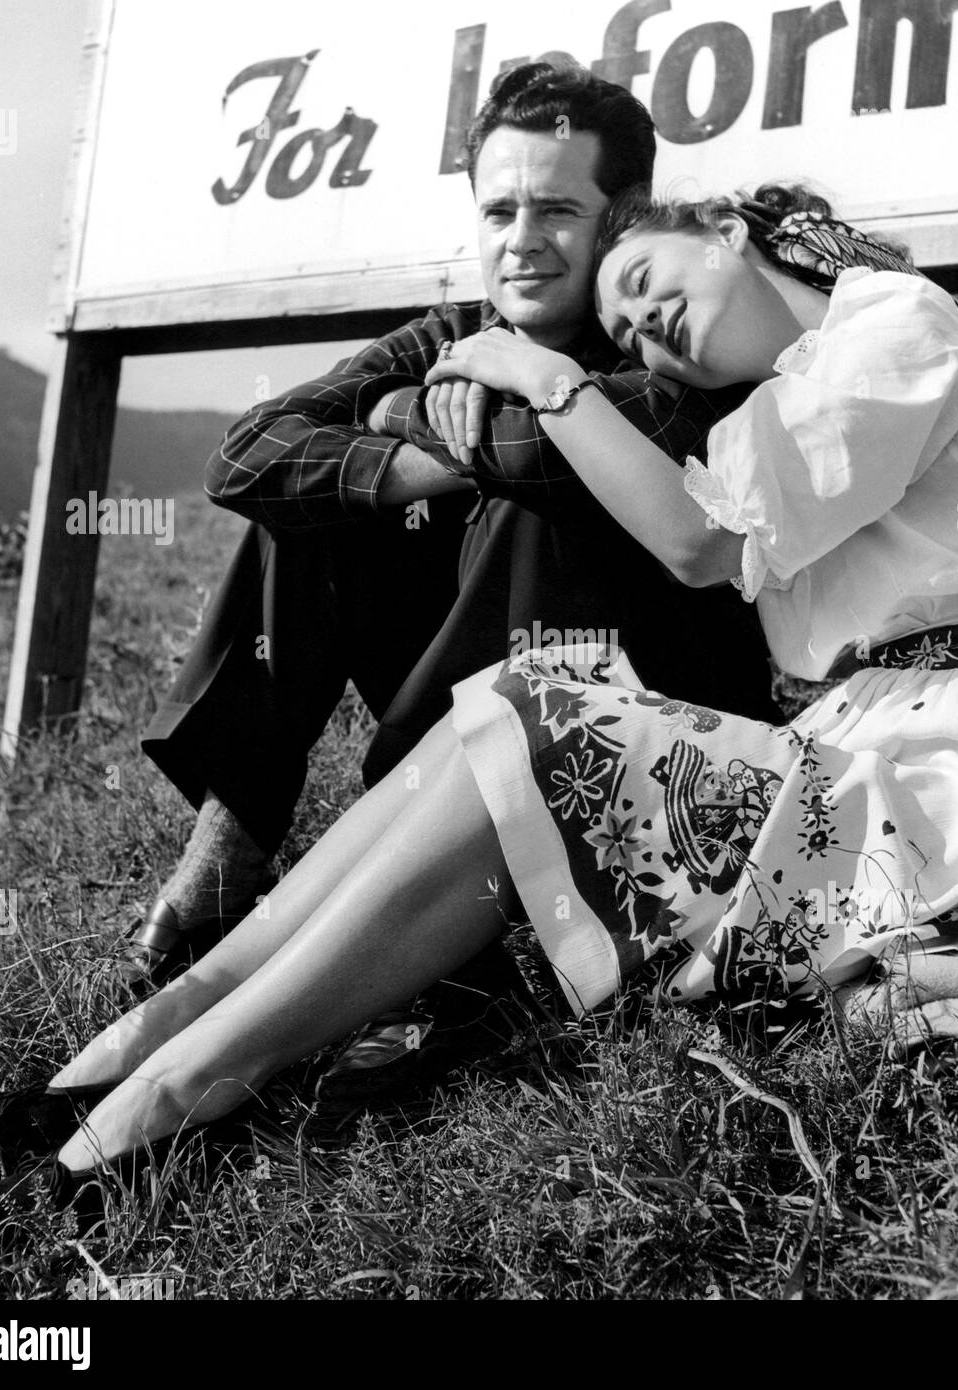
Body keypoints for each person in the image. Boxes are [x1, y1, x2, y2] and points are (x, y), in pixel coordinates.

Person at [42, 181, 958, 1181]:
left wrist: (541, 373)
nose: (646, 330)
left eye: (640, 282)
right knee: (506, 697)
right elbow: (687, 516)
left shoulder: (890, 321)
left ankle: (185, 1086)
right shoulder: (774, 406)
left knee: (546, 710)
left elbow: (690, 540)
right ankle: (159, 1032)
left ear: (725, 227)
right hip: (881, 757)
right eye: (631, 334)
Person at [121, 63, 777, 1093]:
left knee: (535, 495)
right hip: (496, 686)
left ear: (621, 221)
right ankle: (226, 856)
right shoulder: (455, 332)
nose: (522, 238)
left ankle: (449, 956)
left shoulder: (665, 323)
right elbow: (244, 453)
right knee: (308, 510)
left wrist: (421, 410)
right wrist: (402, 436)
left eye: (557, 209)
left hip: (658, 705)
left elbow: (543, 453)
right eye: (500, 208)